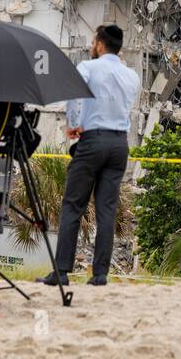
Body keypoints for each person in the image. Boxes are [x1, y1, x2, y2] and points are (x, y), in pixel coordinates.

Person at [38, 24, 139, 288]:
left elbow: (74, 96)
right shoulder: (132, 76)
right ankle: (100, 274)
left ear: (100, 44)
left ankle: (61, 271)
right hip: (119, 144)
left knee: (73, 205)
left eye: (94, 41)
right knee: (107, 209)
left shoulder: (88, 67)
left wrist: (73, 123)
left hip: (92, 140)